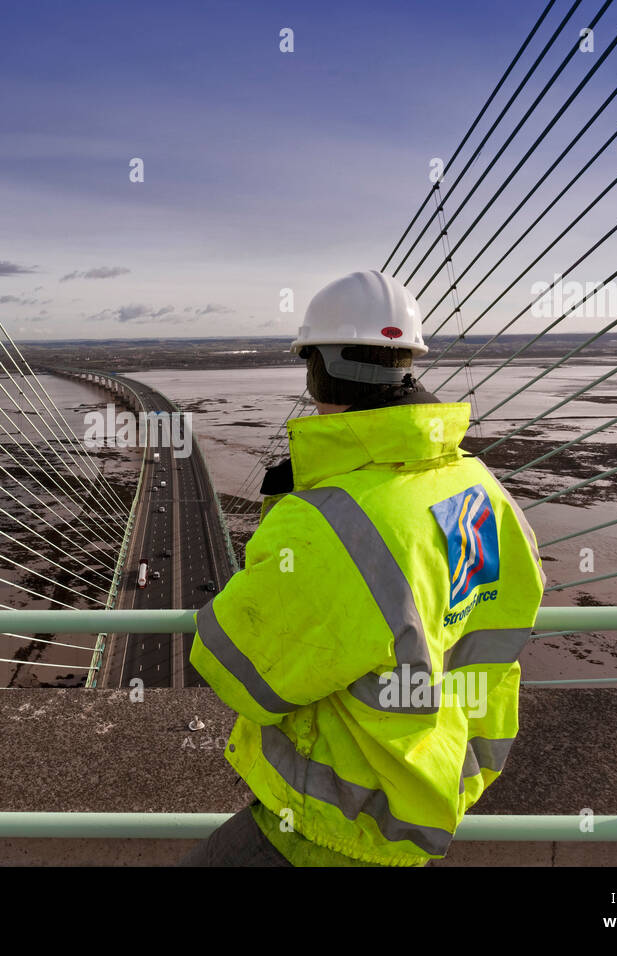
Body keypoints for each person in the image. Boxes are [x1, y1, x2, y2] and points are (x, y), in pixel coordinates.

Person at [178, 270, 546, 867]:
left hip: (338, 823)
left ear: (314, 368)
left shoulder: (330, 523)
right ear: (409, 364)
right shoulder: (481, 489)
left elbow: (237, 671)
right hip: (434, 786)